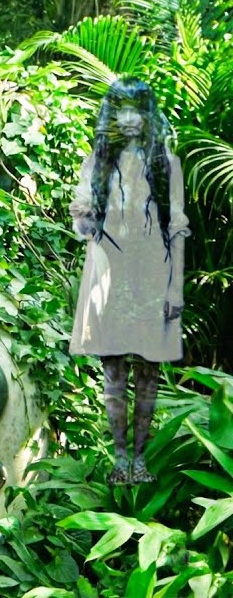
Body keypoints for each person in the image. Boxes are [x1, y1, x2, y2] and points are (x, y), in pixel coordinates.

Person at [69, 77, 188, 485]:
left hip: (154, 274)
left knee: (149, 370)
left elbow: (177, 227)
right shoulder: (95, 163)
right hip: (112, 277)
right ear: (112, 116)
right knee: (114, 369)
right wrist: (87, 217)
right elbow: (83, 222)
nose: (131, 119)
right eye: (122, 110)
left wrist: (175, 289)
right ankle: (120, 458)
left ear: (148, 115)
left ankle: (140, 457)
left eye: (138, 110)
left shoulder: (166, 163)